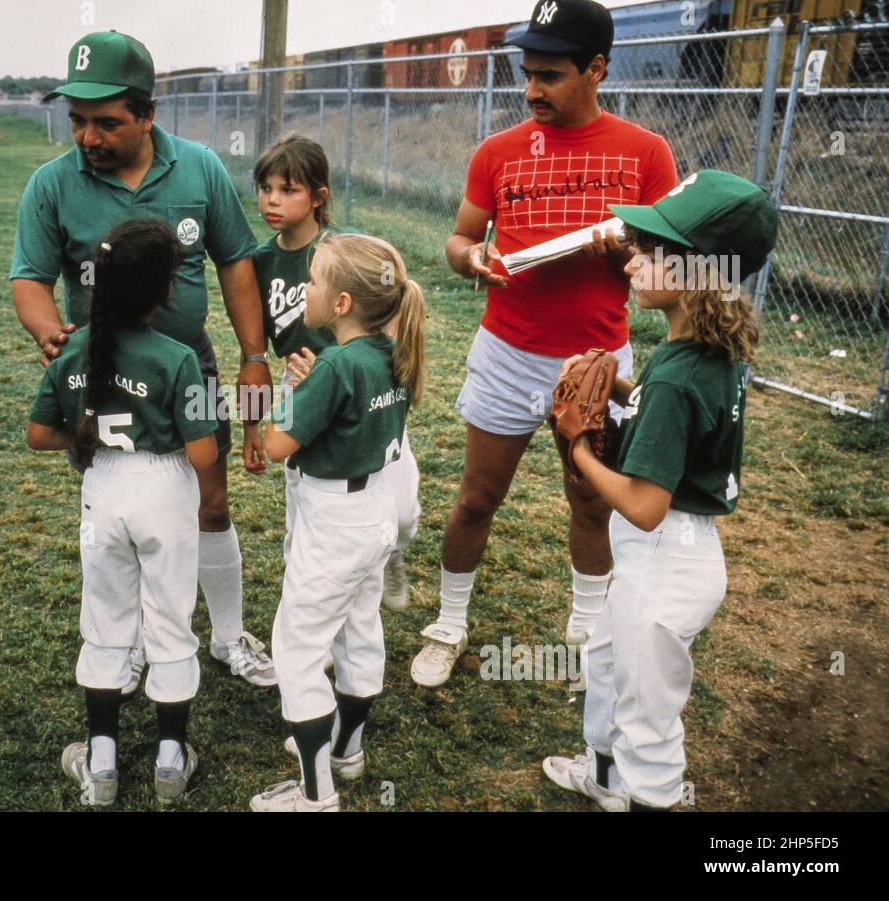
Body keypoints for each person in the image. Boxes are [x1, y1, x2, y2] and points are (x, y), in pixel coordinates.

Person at [411, 0, 680, 689]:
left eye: (551, 76)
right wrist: (471, 259)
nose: (532, 90)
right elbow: (459, 238)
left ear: (596, 69)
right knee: (476, 497)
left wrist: (631, 245)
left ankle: (588, 625)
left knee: (589, 497)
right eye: (526, 74)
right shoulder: (497, 152)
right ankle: (447, 621)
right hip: (508, 348)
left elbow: (672, 259)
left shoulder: (646, 152)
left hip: (596, 361)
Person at [11, 30, 277, 690]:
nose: (88, 137)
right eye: (76, 120)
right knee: (118, 515)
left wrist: (252, 355)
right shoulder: (51, 184)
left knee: (209, 501)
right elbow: (29, 277)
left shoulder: (199, 167)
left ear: (148, 114)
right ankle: (127, 643)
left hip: (190, 367)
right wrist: (51, 334)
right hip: (103, 375)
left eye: (107, 122)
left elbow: (235, 260)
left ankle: (225, 635)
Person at [542, 169, 778, 811]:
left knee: (649, 722)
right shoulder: (698, 349)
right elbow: (670, 411)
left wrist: (581, 447)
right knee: (605, 667)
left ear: (699, 273)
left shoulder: (679, 375)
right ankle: (604, 778)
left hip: (665, 556)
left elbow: (644, 506)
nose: (632, 264)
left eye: (652, 253)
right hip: (669, 557)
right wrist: (616, 388)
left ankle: (649, 795)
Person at [27, 218, 218, 806]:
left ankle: (102, 763)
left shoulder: (68, 349)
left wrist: (86, 443)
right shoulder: (179, 356)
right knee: (169, 619)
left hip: (102, 487)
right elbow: (204, 451)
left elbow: (38, 434)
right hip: (164, 487)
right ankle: (169, 760)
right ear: (166, 290)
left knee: (107, 621)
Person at [249, 234, 426, 812]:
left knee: (297, 650)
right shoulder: (389, 352)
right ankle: (348, 748)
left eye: (317, 280)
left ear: (343, 304)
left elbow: (277, 445)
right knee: (358, 627)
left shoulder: (335, 366)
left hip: (332, 519)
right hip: (373, 513)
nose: (306, 289)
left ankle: (316, 792)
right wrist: (316, 381)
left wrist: (296, 391)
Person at [249, 136, 422, 612]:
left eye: (288, 190)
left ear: (319, 197)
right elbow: (259, 337)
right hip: (305, 383)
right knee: (301, 498)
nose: (272, 200)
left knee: (401, 503)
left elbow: (386, 304)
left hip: (360, 384)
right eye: (265, 188)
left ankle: (388, 551)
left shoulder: (344, 251)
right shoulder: (261, 261)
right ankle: (303, 597)